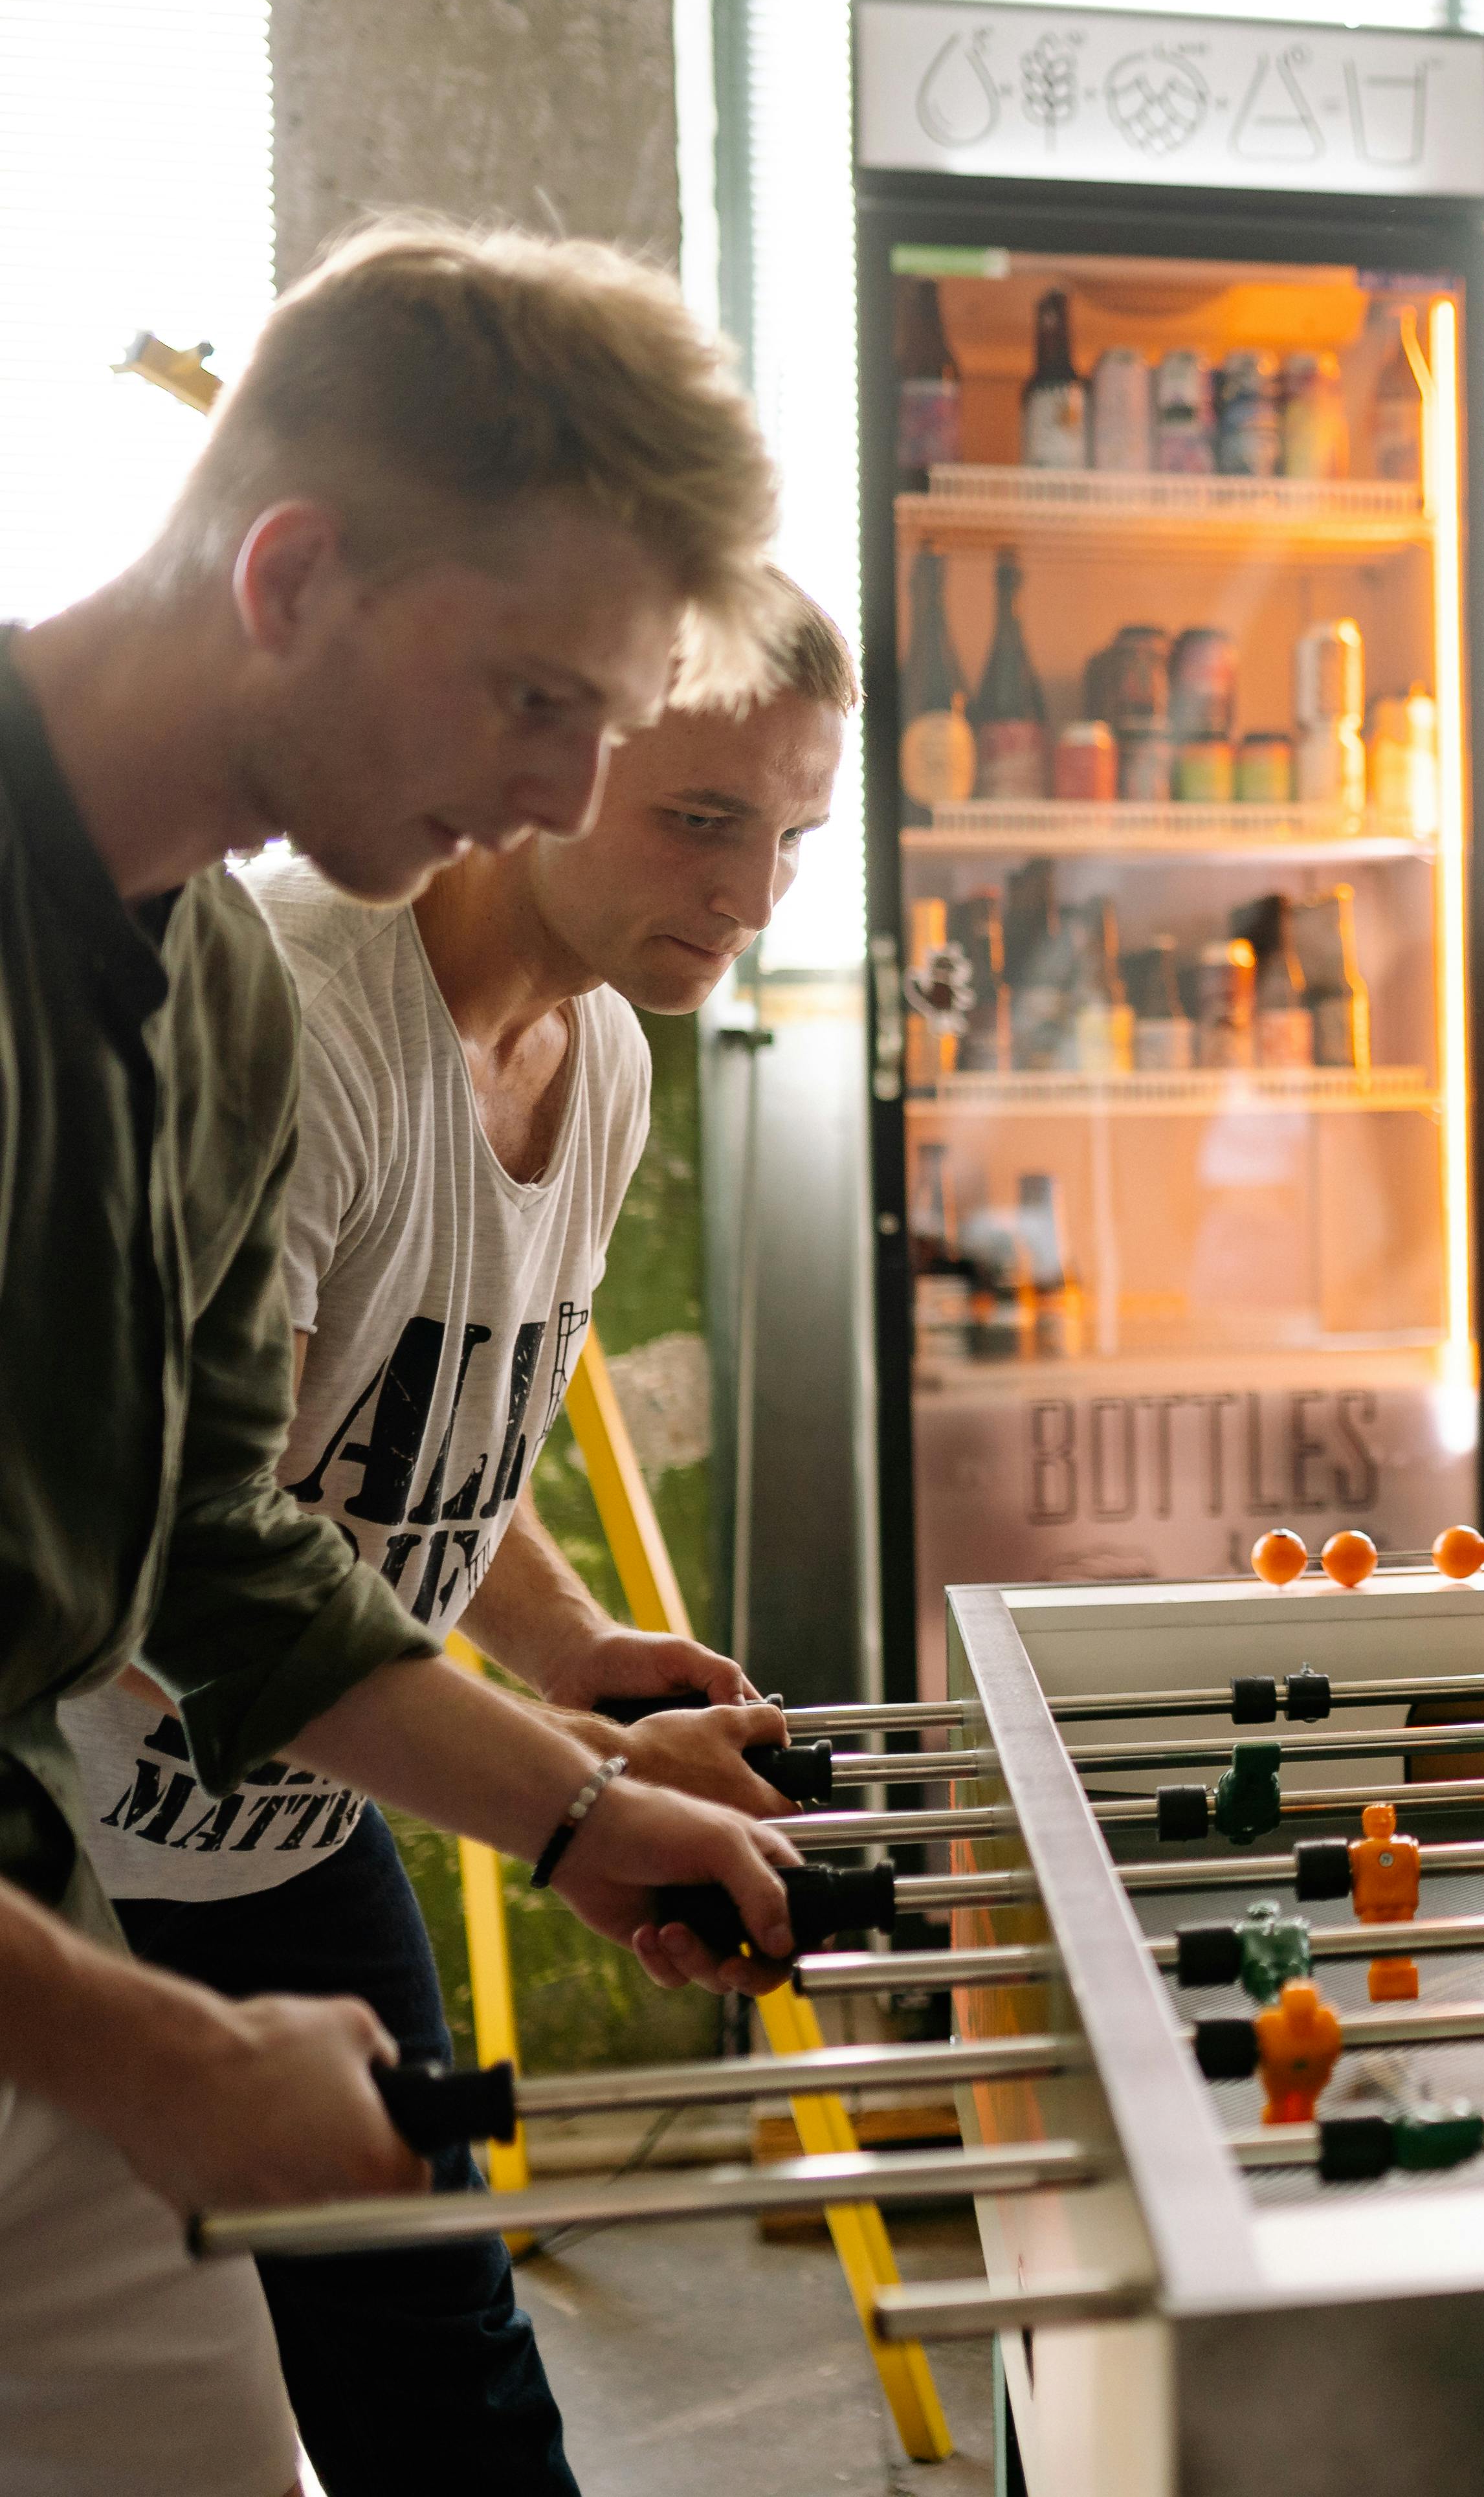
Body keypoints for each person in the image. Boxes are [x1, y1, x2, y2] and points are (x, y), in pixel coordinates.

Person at [0, 217, 810, 2497]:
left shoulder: (225, 1005)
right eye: (541, 701)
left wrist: (570, 1809)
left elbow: (221, 1552)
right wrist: (145, 2048)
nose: (568, 801)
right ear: (292, 572)